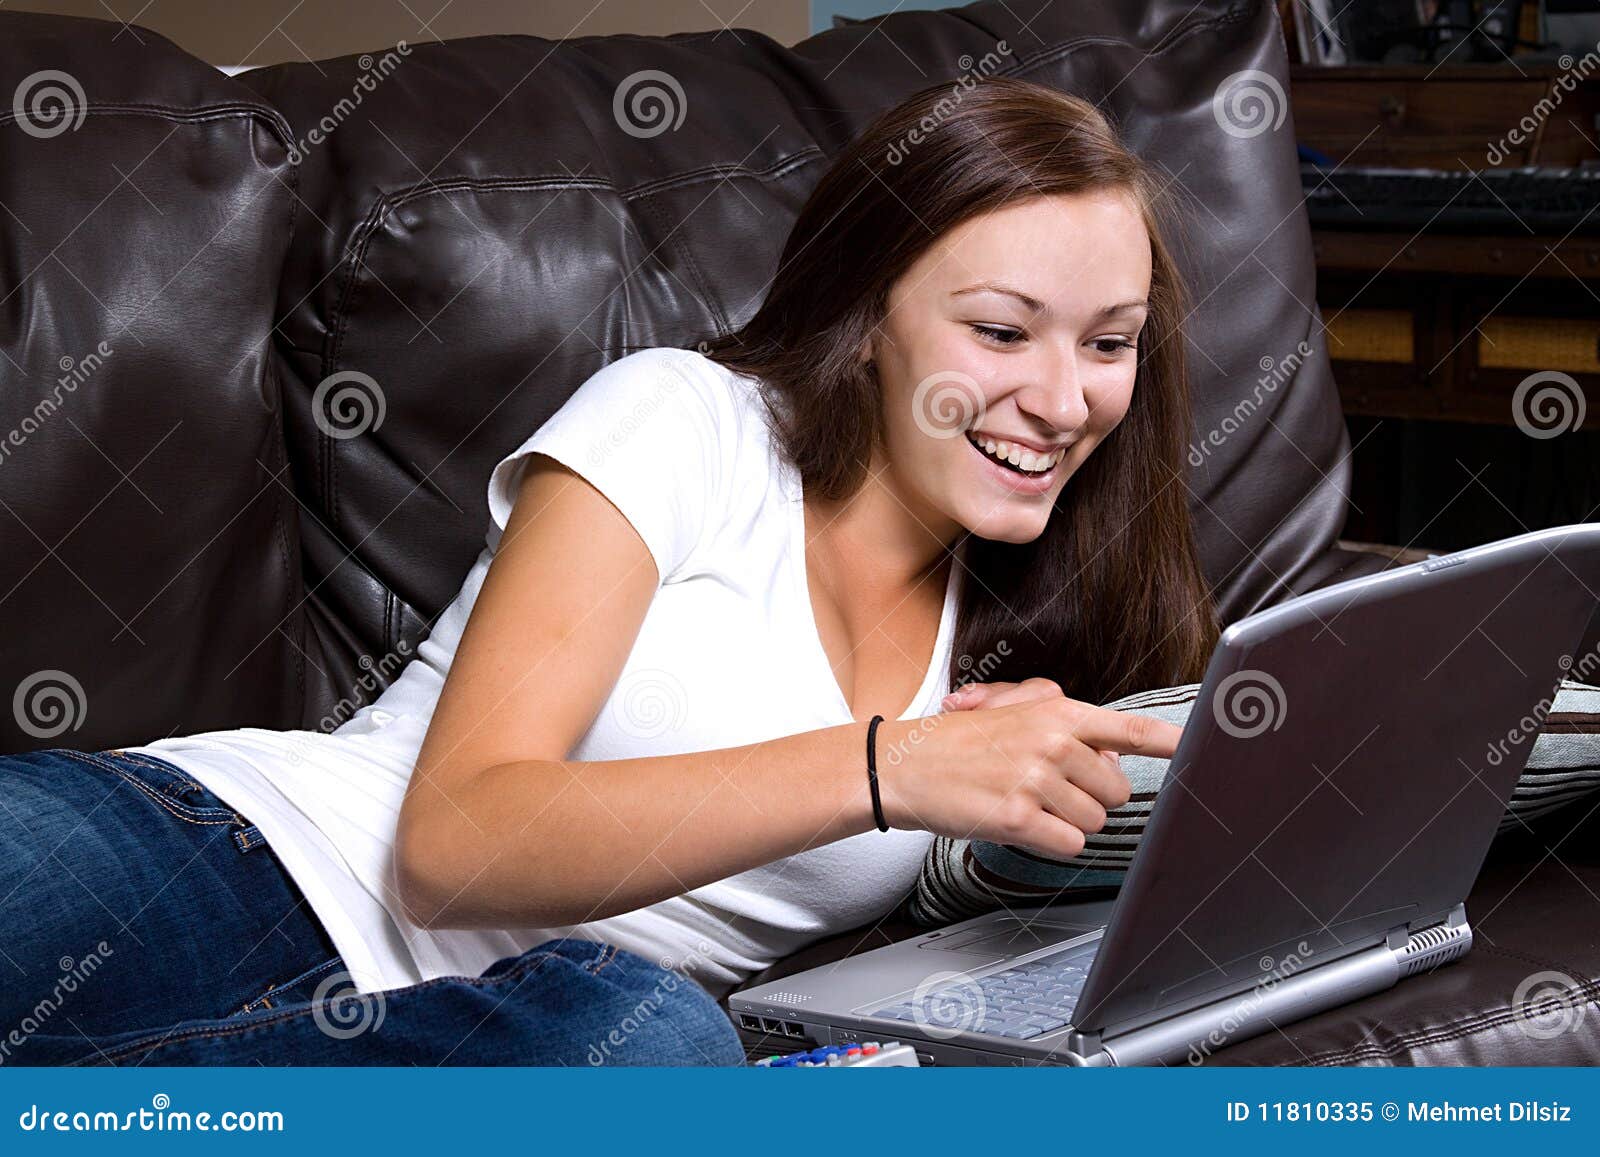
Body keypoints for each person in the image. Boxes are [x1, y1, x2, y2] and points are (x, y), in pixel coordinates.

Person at [0, 77, 1212, 1066]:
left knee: (653, 1048)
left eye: (1108, 342)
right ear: (866, 315)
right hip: (226, 859)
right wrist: (890, 766)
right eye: (1000, 331)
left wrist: (1001, 808)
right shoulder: (687, 419)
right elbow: (453, 844)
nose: (1063, 398)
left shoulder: (1035, 622)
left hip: (511, 1035)